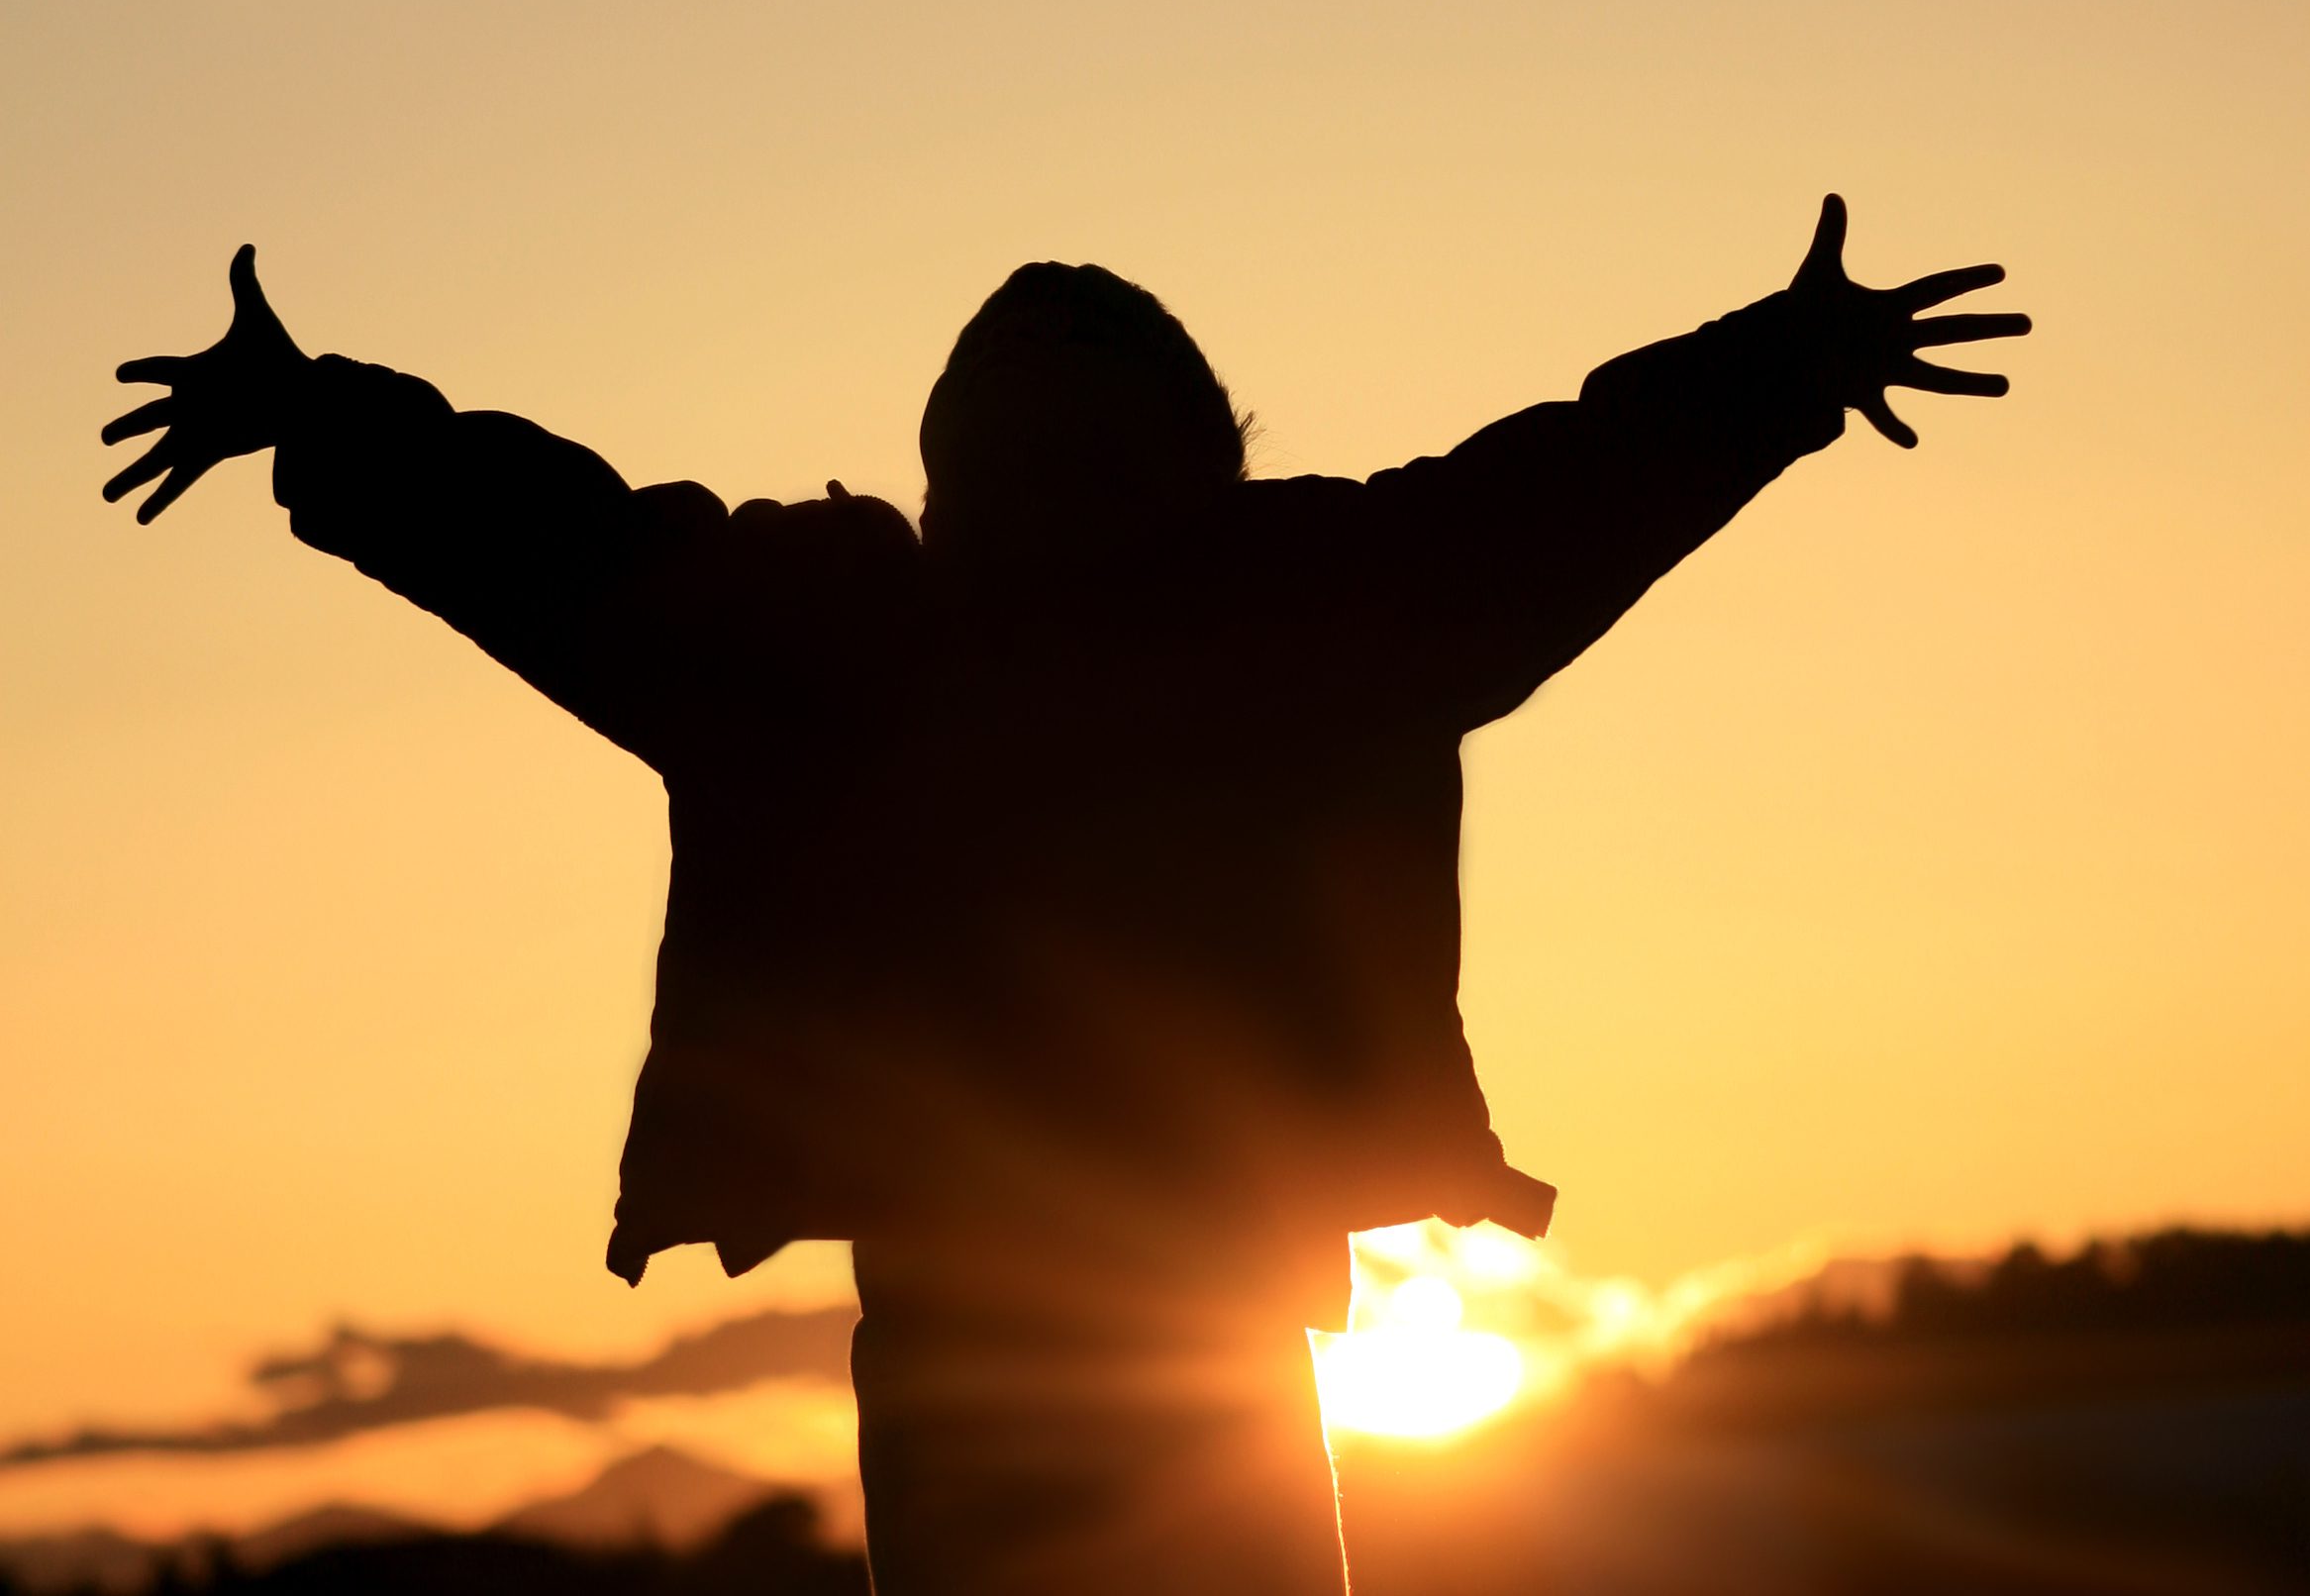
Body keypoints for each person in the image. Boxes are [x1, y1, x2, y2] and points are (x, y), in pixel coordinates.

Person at [103, 197, 2026, 1594]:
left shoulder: (831, 642)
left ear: (949, 476)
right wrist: (1781, 367)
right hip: (1202, 1339)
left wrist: (316, 413)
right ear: (1206, 464)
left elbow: (562, 543)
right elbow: (1561, 495)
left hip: (964, 1351)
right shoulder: (1304, 610)